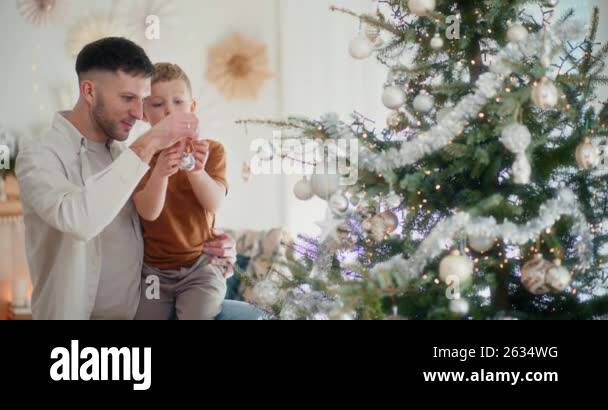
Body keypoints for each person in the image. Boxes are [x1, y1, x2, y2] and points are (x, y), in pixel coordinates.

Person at [15, 37, 264, 320]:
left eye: (141, 99)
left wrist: (217, 246)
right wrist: (150, 143)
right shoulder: (39, 156)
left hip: (146, 309)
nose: (138, 112)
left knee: (255, 315)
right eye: (128, 98)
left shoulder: (126, 155)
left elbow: (157, 222)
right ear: (89, 92)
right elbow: (80, 220)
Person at [133, 63, 229, 320]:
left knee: (199, 314)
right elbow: (148, 212)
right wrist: (160, 172)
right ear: (144, 113)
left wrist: (196, 170)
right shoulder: (139, 157)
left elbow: (214, 202)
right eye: (156, 104)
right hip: (154, 272)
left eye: (178, 101)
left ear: (192, 108)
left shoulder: (213, 150)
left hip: (200, 268)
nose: (168, 111)